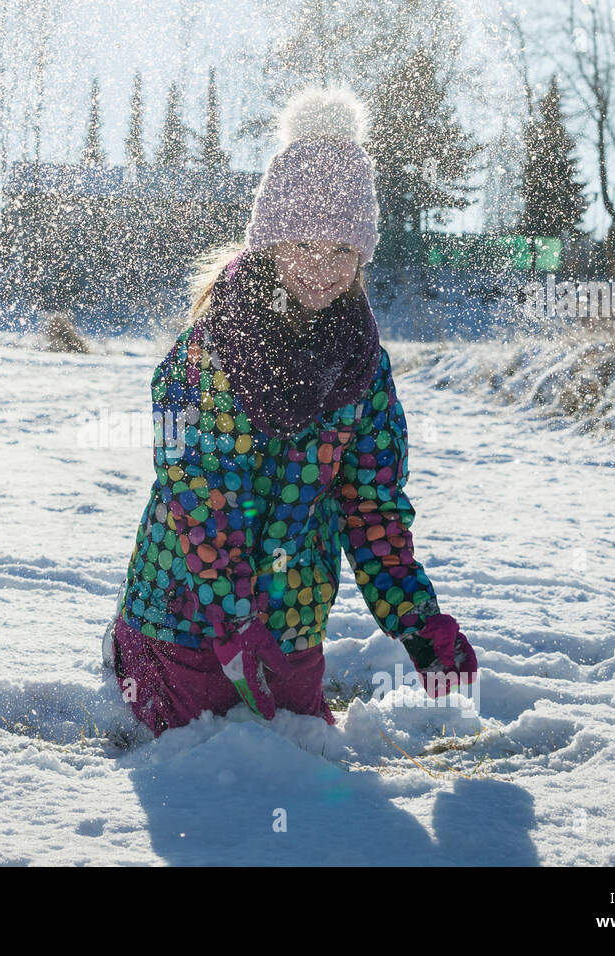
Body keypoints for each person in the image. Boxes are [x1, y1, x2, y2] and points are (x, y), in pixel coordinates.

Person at [103, 84, 477, 738]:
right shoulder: (206, 353)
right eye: (305, 243)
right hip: (182, 616)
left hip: (289, 623)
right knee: (199, 770)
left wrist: (418, 623)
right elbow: (200, 495)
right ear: (272, 240)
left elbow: (373, 505)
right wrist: (233, 621)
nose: (322, 269)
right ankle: (125, 652)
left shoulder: (363, 366)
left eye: (342, 251)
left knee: (307, 777)